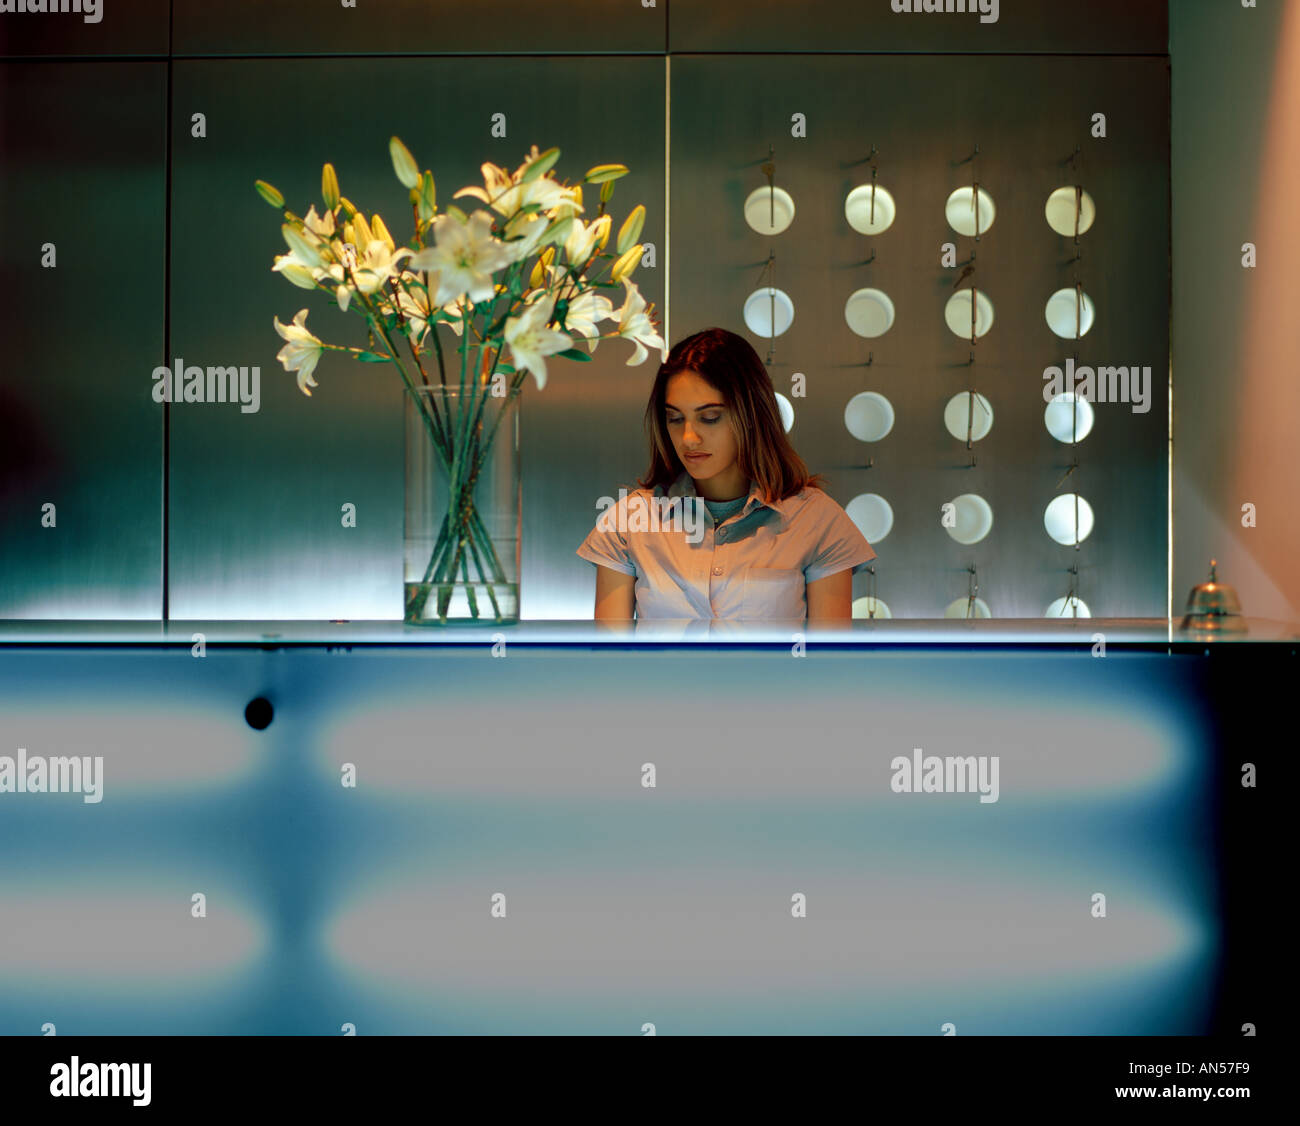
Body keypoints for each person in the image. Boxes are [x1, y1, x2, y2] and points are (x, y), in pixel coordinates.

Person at [576, 327, 876, 621]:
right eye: (675, 418)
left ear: (750, 415)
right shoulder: (627, 523)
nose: (688, 438)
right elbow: (612, 661)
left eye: (709, 418)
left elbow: (827, 664)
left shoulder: (817, 521)